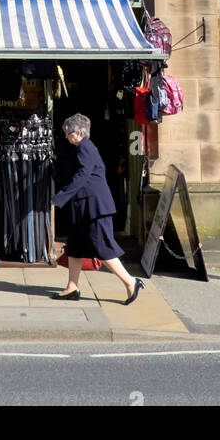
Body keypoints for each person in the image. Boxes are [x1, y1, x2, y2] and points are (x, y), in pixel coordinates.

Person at [50, 113, 144, 305]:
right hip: (85, 207)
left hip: (95, 208)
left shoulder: (85, 148)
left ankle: (131, 281)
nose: (66, 136)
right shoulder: (81, 148)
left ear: (77, 133)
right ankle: (72, 287)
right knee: (75, 247)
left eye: (67, 133)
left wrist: (60, 197)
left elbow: (82, 176)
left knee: (102, 247)